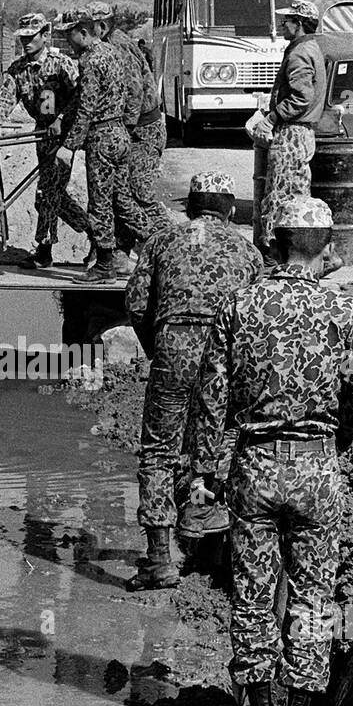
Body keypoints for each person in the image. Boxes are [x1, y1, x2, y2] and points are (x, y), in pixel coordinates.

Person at [188, 196, 353, 706]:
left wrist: (204, 468)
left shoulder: (240, 305)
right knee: (315, 597)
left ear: (277, 239)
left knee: (252, 588)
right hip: (317, 467)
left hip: (255, 467)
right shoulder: (346, 311)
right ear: (325, 248)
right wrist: (334, 443)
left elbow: (211, 394)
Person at [125, 173, 262, 591]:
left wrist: (159, 349)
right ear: (231, 209)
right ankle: (212, 541)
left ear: (189, 206)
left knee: (159, 452)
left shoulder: (163, 241)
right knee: (223, 441)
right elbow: (257, 317)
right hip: (226, 351)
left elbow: (135, 303)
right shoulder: (248, 251)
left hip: (174, 344)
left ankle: (159, 560)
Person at [0, 12, 89, 267]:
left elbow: (79, 98)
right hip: (42, 136)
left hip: (63, 137)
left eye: (31, 37)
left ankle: (48, 249)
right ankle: (92, 234)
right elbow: (5, 101)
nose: (26, 42)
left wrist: (61, 119)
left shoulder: (61, 64)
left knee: (48, 194)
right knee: (52, 195)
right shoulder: (18, 70)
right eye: (23, 38)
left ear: (44, 35)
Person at [52, 9, 147, 281]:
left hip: (102, 138)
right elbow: (128, 92)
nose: (67, 41)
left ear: (84, 31)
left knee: (101, 203)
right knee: (123, 200)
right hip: (119, 133)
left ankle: (105, 265)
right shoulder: (113, 52)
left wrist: (69, 145)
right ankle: (157, 239)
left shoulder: (91, 60)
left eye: (69, 34)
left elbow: (86, 107)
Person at [253, 0, 326, 259]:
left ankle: (275, 255)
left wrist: (271, 118)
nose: (283, 25)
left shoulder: (299, 53)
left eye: (287, 21)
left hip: (292, 134)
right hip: (302, 132)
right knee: (297, 196)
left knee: (279, 197)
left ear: (299, 24)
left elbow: (301, 97)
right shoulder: (311, 48)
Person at [90, 3, 170, 241]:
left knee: (139, 193)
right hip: (135, 128)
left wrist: (125, 128)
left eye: (88, 27)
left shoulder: (118, 47)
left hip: (143, 130)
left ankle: (169, 244)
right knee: (120, 194)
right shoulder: (110, 44)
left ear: (102, 27)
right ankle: (122, 254)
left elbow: (134, 92)